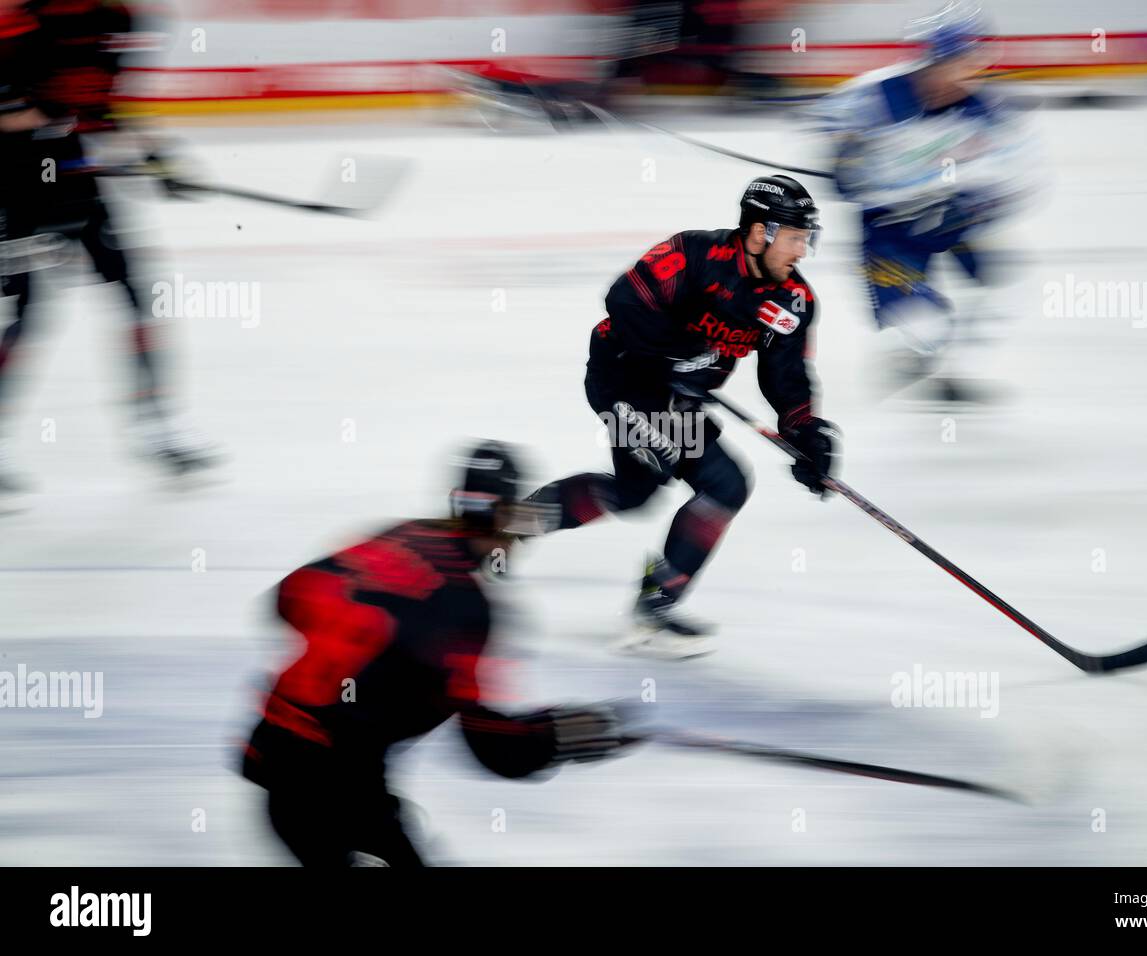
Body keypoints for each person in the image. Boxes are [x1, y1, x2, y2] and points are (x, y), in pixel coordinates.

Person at [239, 441, 625, 867]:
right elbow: (493, 749)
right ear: (505, 513)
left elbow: (285, 597)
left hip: (284, 756)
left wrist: (365, 650)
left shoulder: (400, 536)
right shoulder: (465, 610)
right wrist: (563, 735)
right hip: (334, 785)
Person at [525, 174, 840, 657]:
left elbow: (786, 378)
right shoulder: (695, 254)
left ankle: (516, 525)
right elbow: (625, 299)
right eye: (796, 237)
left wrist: (806, 433)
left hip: (678, 400)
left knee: (652, 491)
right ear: (760, 232)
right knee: (686, 484)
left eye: (806, 239)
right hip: (626, 380)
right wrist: (673, 357)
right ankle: (648, 603)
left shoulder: (792, 302)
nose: (802, 251)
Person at [0, 0, 215, 494]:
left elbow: (106, 106)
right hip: (15, 185)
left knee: (138, 296)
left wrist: (158, 157)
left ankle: (158, 425)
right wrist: (53, 123)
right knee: (29, 314)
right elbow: (13, 112)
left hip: (73, 175)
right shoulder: (23, 25)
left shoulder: (117, 20)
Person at [811, 0, 1033, 402]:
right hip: (887, 229)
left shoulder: (988, 110)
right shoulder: (875, 97)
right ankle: (924, 355)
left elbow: (1021, 172)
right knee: (922, 326)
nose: (960, 75)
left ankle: (951, 371)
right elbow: (827, 130)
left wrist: (977, 204)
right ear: (928, 62)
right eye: (949, 63)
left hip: (954, 219)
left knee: (998, 282)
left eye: (971, 62)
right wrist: (842, 160)